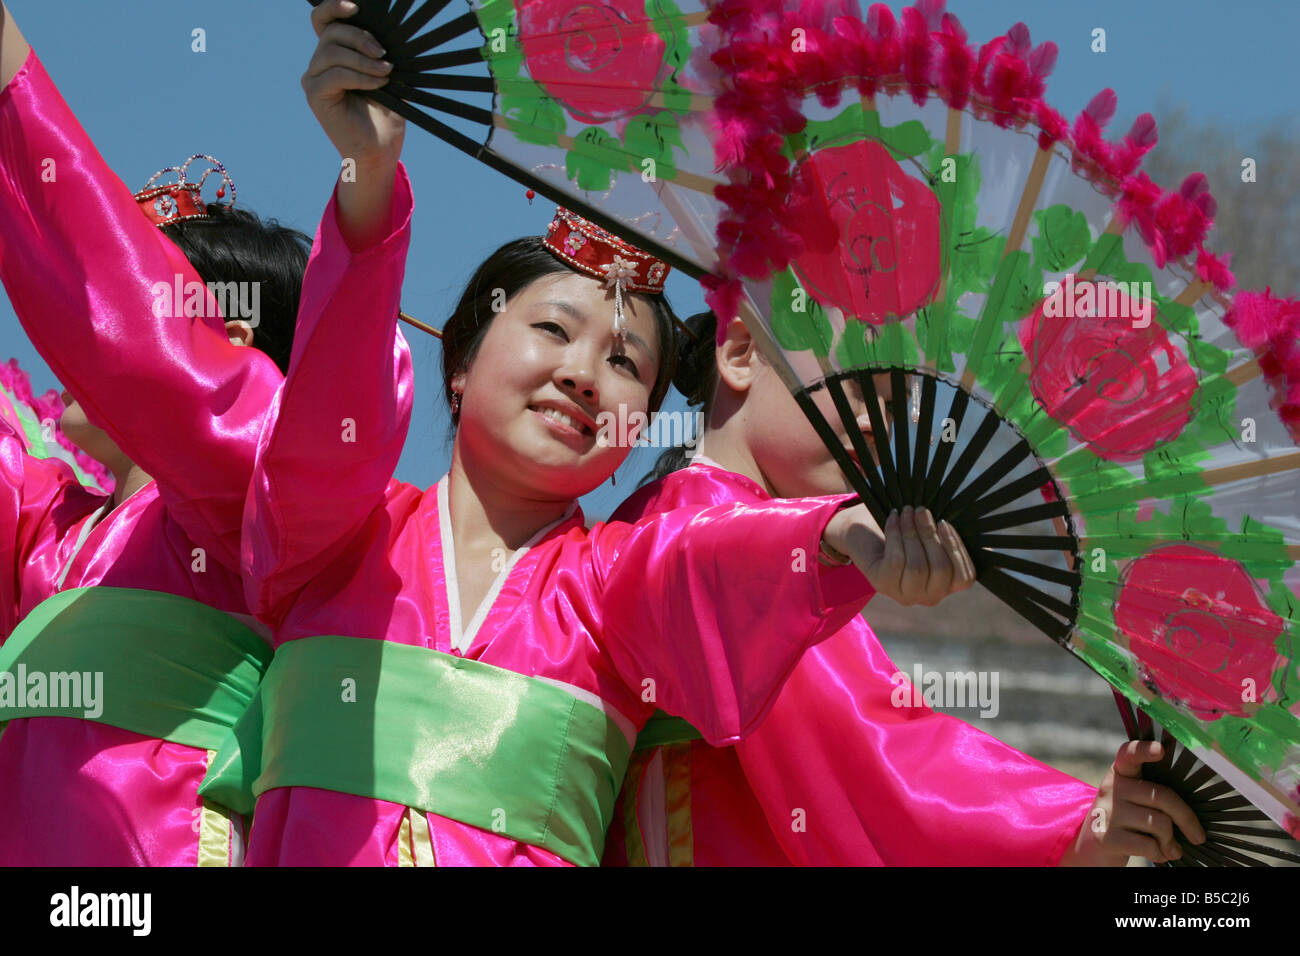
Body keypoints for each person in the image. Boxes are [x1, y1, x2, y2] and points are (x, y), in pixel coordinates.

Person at [184, 0, 982, 866]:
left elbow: (702, 566)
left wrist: (837, 533)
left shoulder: (612, 591)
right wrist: (368, 173)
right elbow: (325, 430)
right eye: (554, 331)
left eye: (628, 362)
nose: (582, 374)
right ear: (460, 357)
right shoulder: (336, 541)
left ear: (641, 426)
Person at [605, 309, 1209, 866]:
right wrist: (1072, 825)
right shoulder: (713, 529)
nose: (879, 425)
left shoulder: (664, 516)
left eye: (896, 407)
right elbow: (875, 757)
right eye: (857, 379)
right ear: (740, 351)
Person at [0, 2, 311, 865]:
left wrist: (8, 84)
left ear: (231, 351)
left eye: (127, 299)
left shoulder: (243, 512)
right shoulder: (46, 530)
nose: (79, 334)